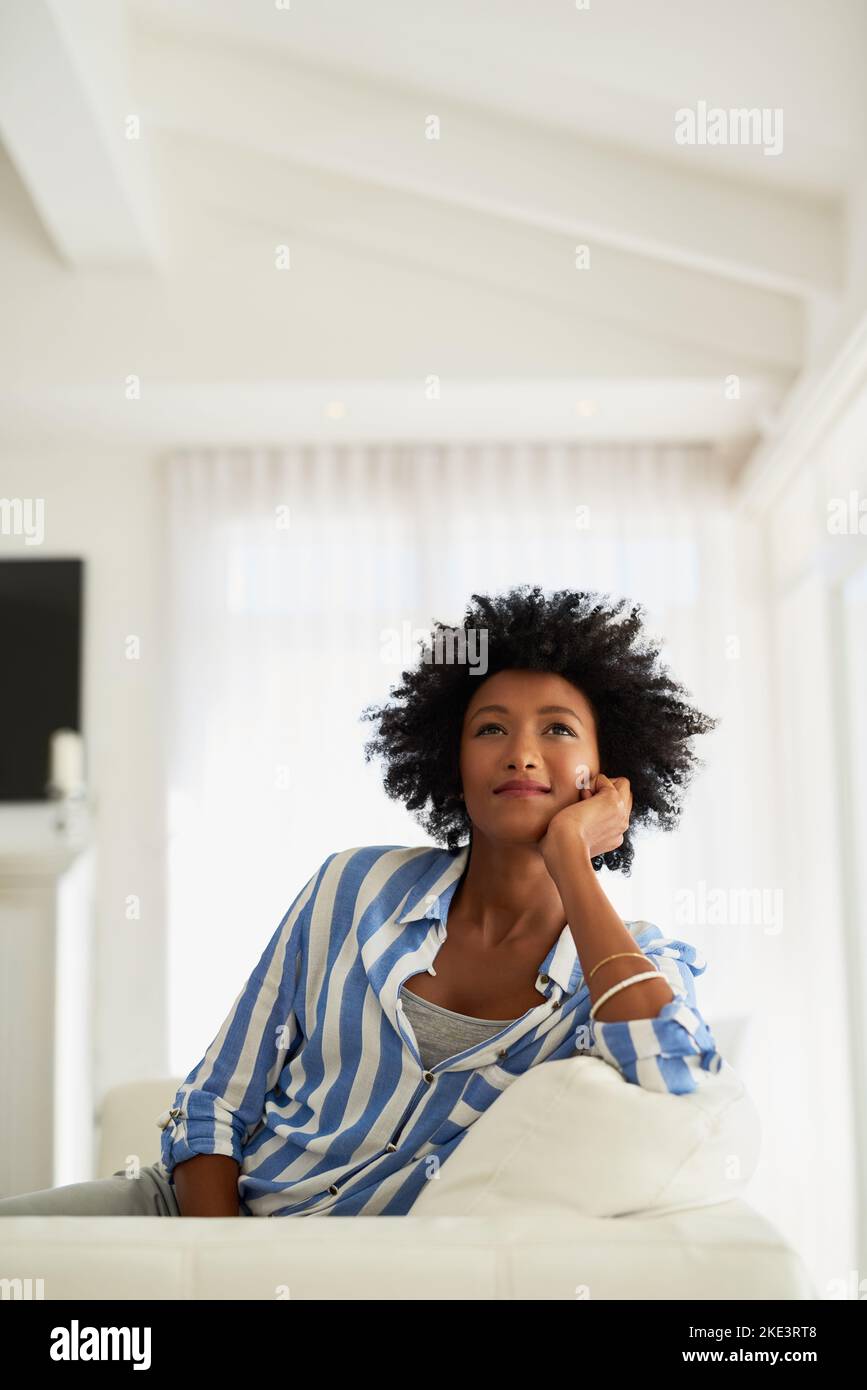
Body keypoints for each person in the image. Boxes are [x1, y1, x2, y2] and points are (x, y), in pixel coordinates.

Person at [0, 583, 723, 1218]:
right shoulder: (353, 889)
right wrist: (218, 1274)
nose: (520, 752)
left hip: (349, 1273)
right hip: (190, 1220)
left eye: (558, 729)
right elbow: (214, 1104)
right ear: (452, 760)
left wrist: (570, 859)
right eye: (490, 728)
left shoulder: (620, 964)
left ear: (606, 774)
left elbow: (674, 1072)